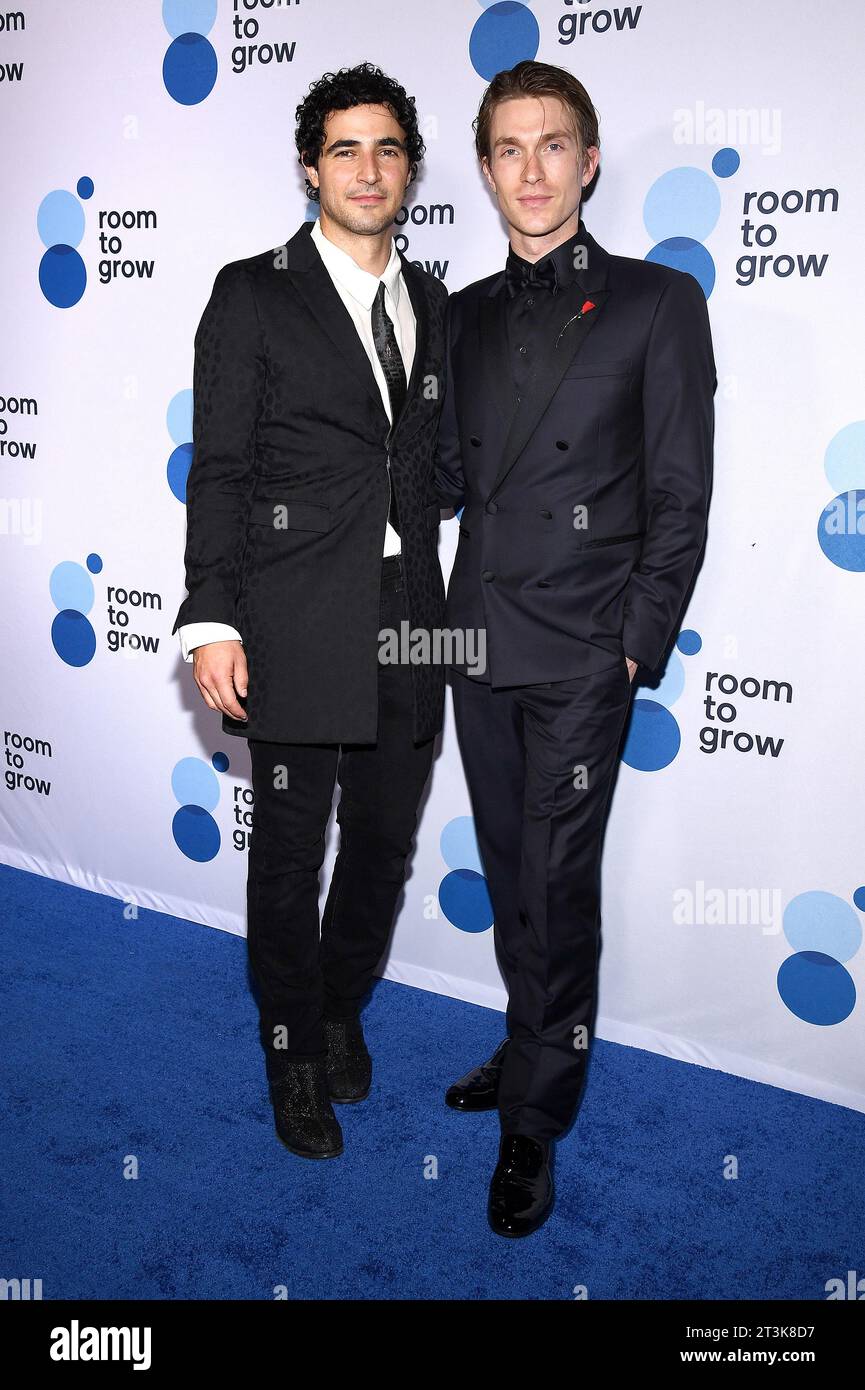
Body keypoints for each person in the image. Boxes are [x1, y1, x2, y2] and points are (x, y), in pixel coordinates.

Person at [436, 60, 716, 1235]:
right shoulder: (457, 312)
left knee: (556, 891)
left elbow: (679, 497)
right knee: (511, 873)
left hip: (581, 658)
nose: (532, 169)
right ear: (487, 167)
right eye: (508, 148)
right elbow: (448, 481)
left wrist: (630, 652)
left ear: (589, 161)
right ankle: (525, 1035)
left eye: (554, 145)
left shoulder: (657, 303)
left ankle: (534, 1123)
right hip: (474, 642)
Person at [173, 63, 448, 1160]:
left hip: (408, 610)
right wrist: (211, 617)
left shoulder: (429, 298)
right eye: (344, 149)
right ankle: (290, 1052)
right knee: (289, 855)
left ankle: (339, 1009)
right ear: (309, 167)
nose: (367, 168)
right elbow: (222, 469)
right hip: (289, 613)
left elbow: (429, 461)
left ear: (410, 169)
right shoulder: (253, 292)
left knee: (382, 843)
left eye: (386, 149)